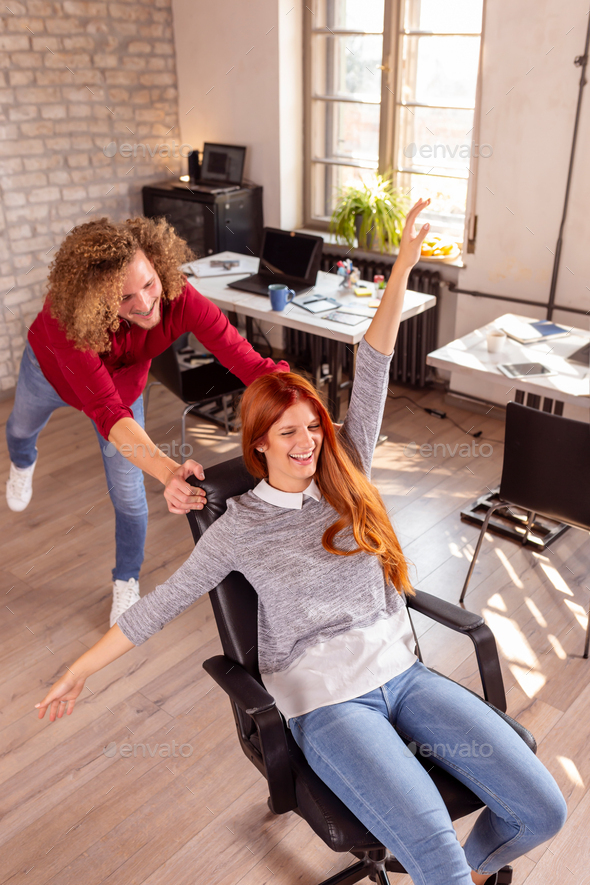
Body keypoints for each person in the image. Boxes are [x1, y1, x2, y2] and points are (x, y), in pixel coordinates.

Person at [35, 200, 567, 885]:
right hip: (330, 703)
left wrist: (403, 263)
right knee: (433, 843)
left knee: (542, 808)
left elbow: (372, 360)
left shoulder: (347, 464)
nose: (307, 441)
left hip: (404, 675)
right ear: (257, 442)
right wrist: (79, 668)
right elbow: (157, 607)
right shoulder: (240, 523)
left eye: (311, 425)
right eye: (286, 432)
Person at [5, 216, 289, 626]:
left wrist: (303, 403)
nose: (143, 303)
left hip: (122, 392)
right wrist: (169, 468)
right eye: (123, 299)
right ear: (96, 301)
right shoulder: (64, 321)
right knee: (18, 429)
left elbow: (249, 364)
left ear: (158, 264)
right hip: (49, 376)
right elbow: (103, 410)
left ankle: (125, 578)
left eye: (149, 283)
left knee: (129, 495)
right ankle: (23, 459)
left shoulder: (180, 298)